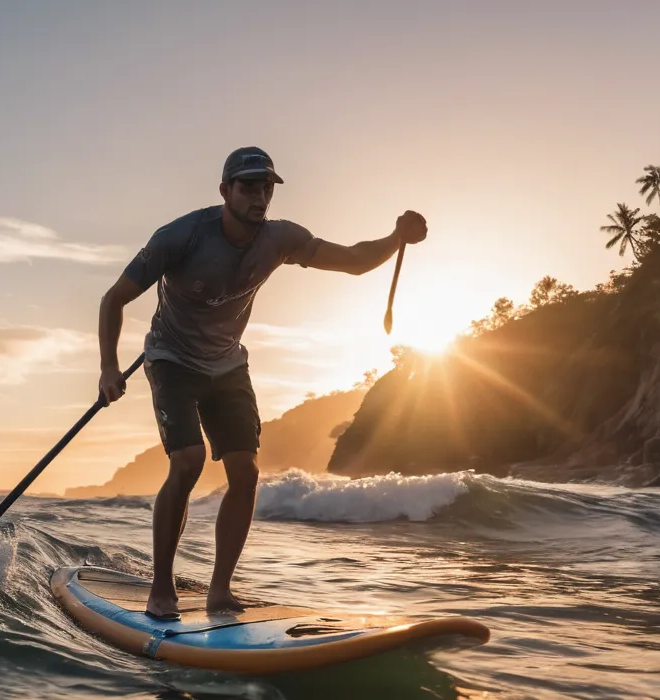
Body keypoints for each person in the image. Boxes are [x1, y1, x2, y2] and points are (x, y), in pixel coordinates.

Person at [98, 146, 427, 619]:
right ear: (225, 191)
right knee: (188, 462)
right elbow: (114, 300)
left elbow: (354, 261)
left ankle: (220, 590)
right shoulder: (181, 236)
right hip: (171, 358)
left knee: (246, 474)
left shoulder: (280, 239)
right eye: (248, 187)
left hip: (227, 365)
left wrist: (397, 236)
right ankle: (161, 586)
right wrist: (109, 367)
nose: (259, 197)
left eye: (266, 187)